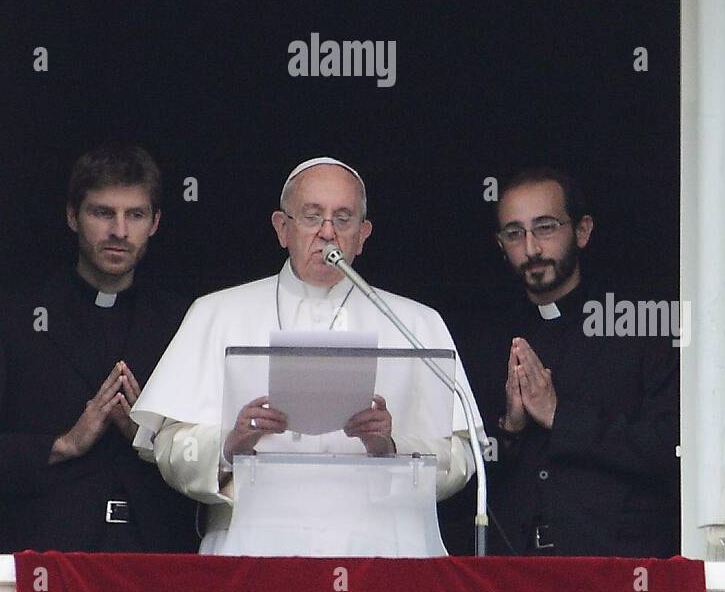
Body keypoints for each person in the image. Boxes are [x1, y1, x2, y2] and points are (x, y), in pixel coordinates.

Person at [131, 156, 480, 554]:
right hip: (254, 545)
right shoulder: (216, 313)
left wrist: (393, 447)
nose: (328, 232)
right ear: (283, 228)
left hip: (385, 549)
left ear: (363, 235)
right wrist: (231, 442)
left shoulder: (414, 323)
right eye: (312, 216)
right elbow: (171, 447)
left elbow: (461, 459)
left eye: (343, 219)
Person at [0, 145, 199, 553]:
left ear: (155, 222)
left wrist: (148, 436)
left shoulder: (187, 322)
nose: (119, 231)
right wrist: (65, 443)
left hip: (158, 553)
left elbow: (213, 452)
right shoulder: (12, 318)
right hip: (46, 553)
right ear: (73, 216)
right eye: (103, 213)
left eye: (135, 215)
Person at [463, 167, 678, 557]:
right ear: (500, 243)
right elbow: (459, 475)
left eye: (545, 228)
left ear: (582, 231)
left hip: (615, 571)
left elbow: (670, 449)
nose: (530, 249)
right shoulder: (485, 340)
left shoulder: (640, 327)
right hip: (511, 573)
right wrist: (509, 430)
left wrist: (561, 416)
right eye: (514, 233)